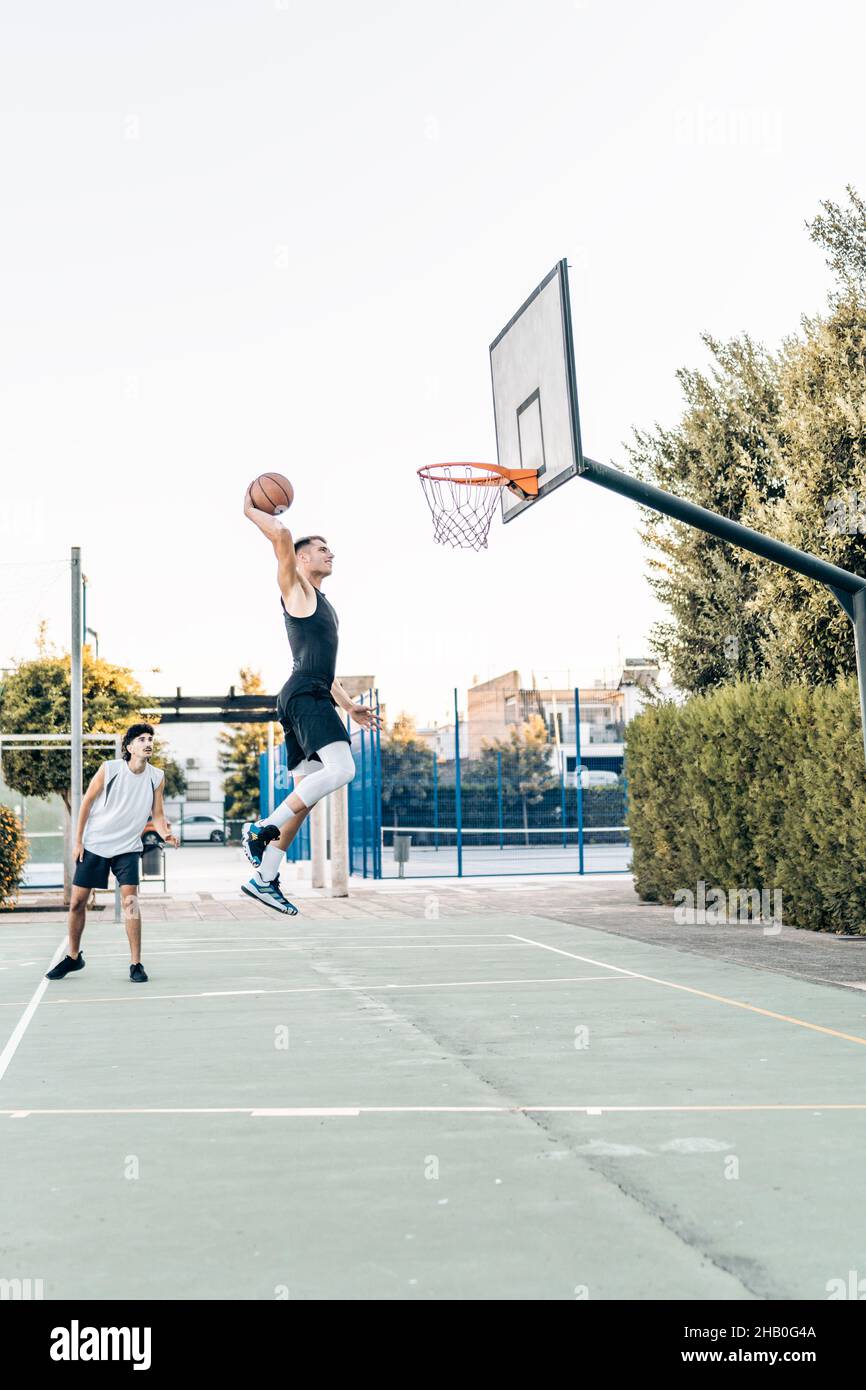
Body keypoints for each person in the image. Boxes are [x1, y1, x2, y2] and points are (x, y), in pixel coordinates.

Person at [241, 486, 379, 913]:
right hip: (305, 696)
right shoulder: (296, 590)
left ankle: (265, 877)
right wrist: (251, 509)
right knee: (343, 769)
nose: (330, 554)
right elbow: (281, 538)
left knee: (306, 796)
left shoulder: (324, 605)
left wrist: (348, 704)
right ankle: (262, 828)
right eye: (322, 549)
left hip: (310, 692)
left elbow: (325, 667)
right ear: (302, 559)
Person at [45, 723, 178, 983]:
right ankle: (73, 957)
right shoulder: (110, 769)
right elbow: (87, 802)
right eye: (141, 739)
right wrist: (78, 841)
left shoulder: (156, 776)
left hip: (127, 848)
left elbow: (158, 814)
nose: (148, 742)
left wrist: (166, 833)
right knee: (77, 903)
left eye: (150, 738)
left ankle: (136, 963)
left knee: (131, 903)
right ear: (129, 747)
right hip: (95, 844)